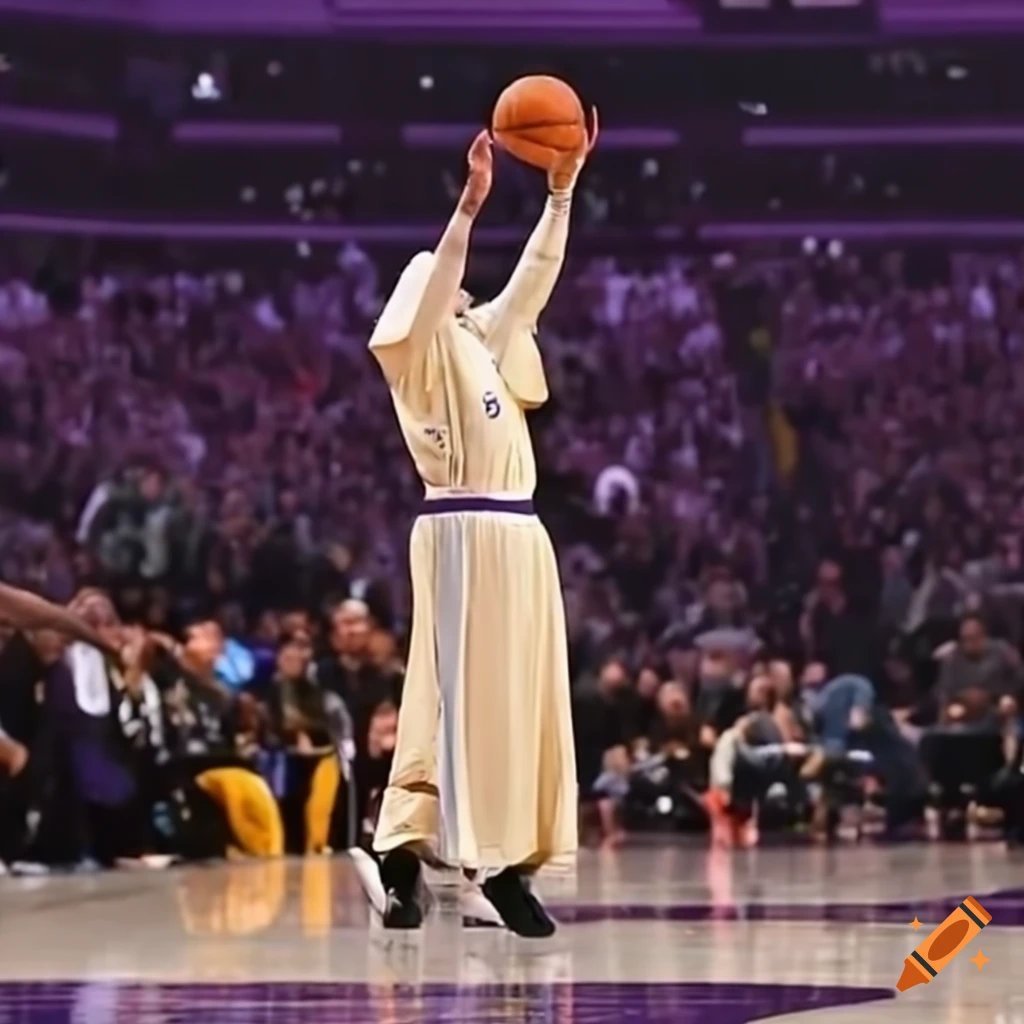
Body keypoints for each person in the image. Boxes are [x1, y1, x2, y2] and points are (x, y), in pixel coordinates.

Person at [362, 115, 598, 937]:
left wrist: (561, 192)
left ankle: (463, 859)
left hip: (519, 533)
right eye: (444, 279)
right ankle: (449, 855)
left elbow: (533, 280)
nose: (458, 285)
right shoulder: (419, 353)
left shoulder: (478, 340)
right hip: (460, 527)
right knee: (459, 696)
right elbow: (435, 285)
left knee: (517, 695)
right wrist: (467, 207)